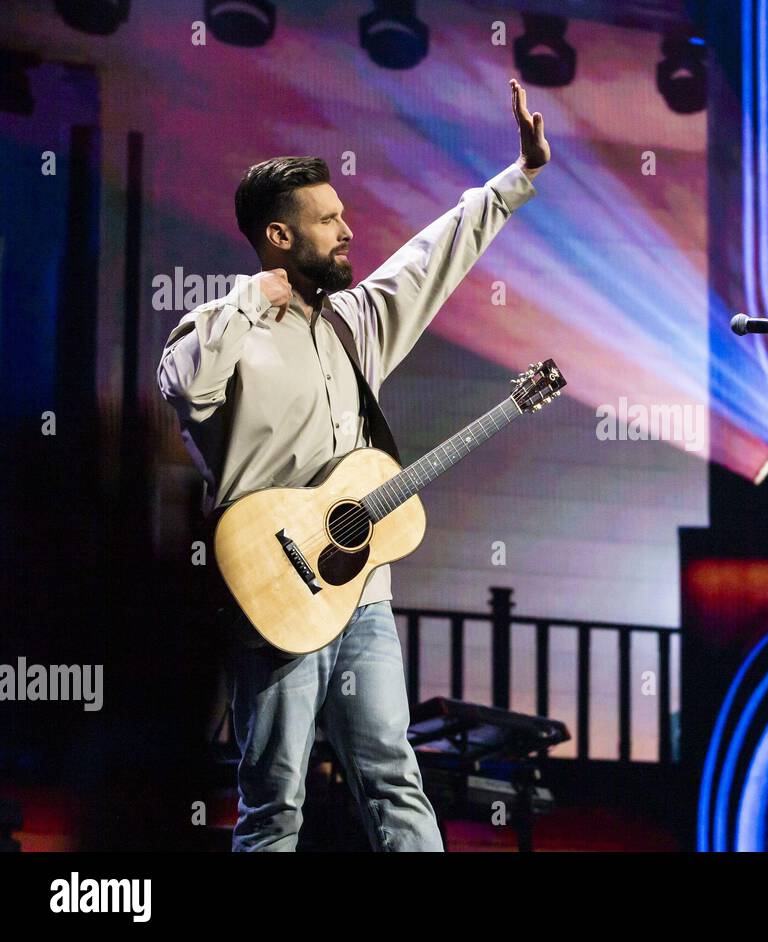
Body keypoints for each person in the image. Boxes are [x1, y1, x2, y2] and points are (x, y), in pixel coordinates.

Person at [156, 79, 550, 851]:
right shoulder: (223, 326)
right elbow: (183, 385)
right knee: (276, 804)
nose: (347, 229)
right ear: (278, 236)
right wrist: (246, 301)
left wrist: (518, 175)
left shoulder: (357, 323)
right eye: (328, 220)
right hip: (273, 598)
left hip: (361, 592)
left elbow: (434, 255)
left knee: (393, 777)